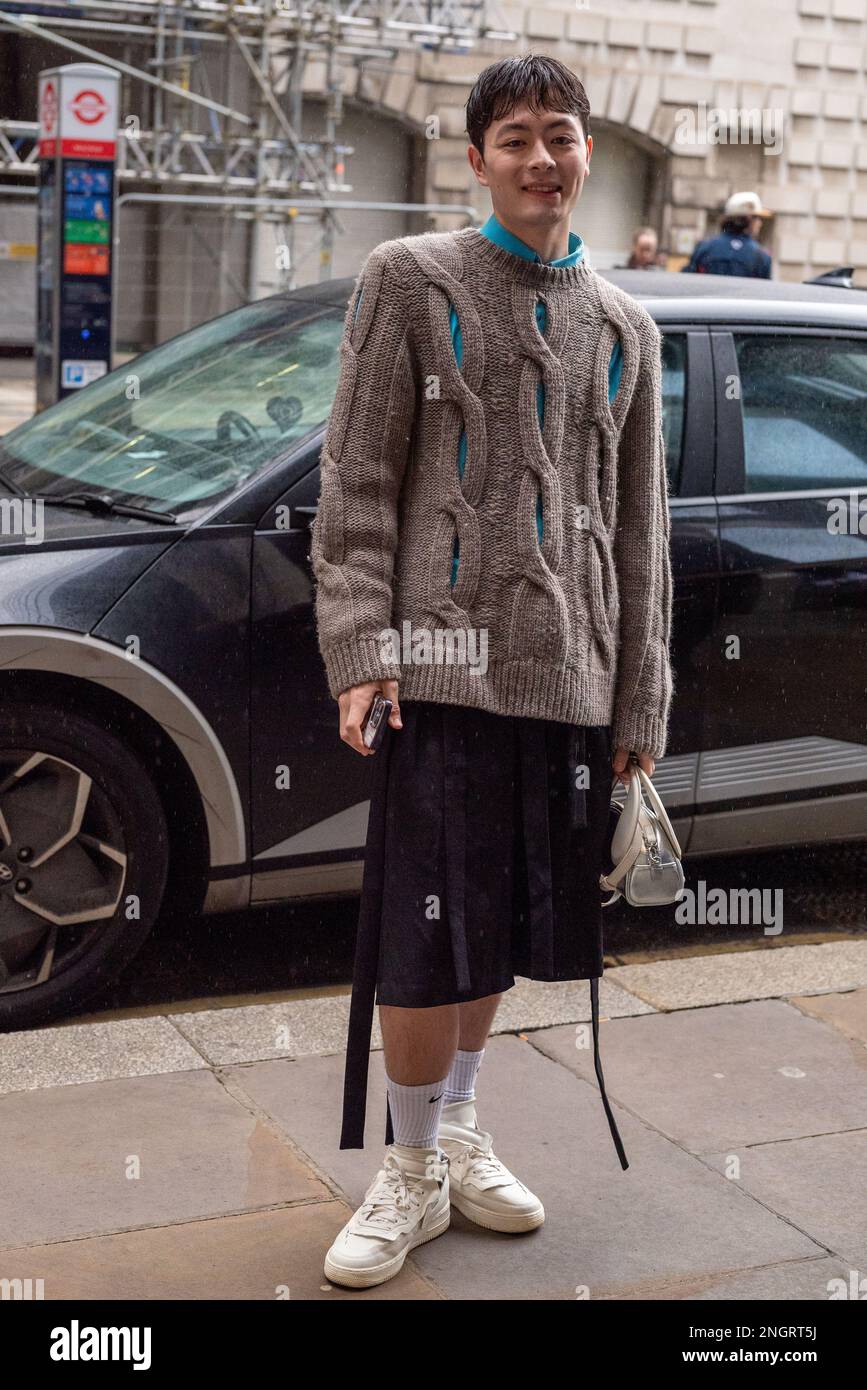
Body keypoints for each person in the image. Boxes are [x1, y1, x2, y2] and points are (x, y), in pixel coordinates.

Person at [310, 53, 675, 1291]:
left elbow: (640, 533)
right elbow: (357, 483)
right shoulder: (410, 280)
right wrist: (362, 650)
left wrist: (639, 699)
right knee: (425, 940)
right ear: (477, 159)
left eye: (558, 135)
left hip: (569, 689)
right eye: (513, 137)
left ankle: (456, 1127)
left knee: (503, 934)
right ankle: (409, 1166)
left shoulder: (628, 326)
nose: (540, 158)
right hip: (439, 678)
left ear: (586, 154)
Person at [681, 191, 772, 277]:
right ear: (749, 218)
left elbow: (688, 279)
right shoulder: (761, 256)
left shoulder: (705, 248)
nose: (760, 223)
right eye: (758, 218)